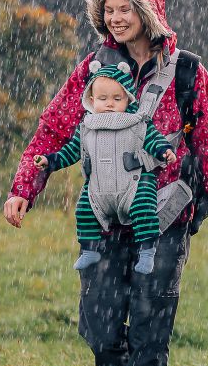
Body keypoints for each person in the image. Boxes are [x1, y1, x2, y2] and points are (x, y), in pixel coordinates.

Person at [5, 0, 208, 366]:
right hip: (104, 221)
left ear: (148, 11)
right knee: (98, 328)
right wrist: (24, 186)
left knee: (149, 329)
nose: (115, 19)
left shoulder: (186, 73)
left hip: (164, 217)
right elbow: (55, 129)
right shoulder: (93, 69)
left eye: (125, 9)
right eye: (108, 10)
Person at [33, 61, 178, 274]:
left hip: (134, 183)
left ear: (128, 98)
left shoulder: (137, 123)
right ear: (91, 100)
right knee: (84, 210)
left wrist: (164, 150)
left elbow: (153, 139)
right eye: (102, 99)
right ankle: (89, 250)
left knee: (144, 210)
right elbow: (71, 152)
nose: (109, 104)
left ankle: (147, 252)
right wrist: (49, 161)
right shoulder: (87, 128)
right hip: (99, 188)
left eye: (117, 98)